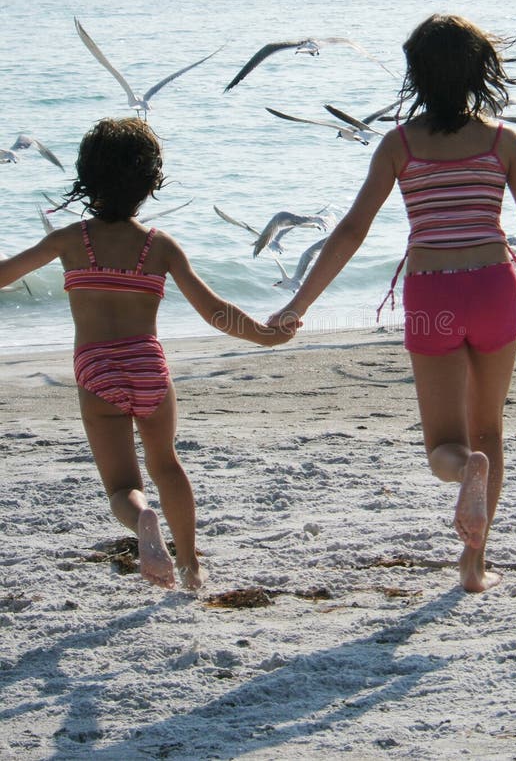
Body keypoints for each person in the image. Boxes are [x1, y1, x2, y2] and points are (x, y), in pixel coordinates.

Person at [269, 14, 516, 593]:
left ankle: (464, 472)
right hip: (493, 289)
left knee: (446, 444)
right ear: (478, 72)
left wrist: (300, 303)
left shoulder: (399, 145)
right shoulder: (502, 141)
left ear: (415, 75)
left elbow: (350, 232)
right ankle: (474, 563)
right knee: (487, 425)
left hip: (433, 294)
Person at [0, 118, 296, 591]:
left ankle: (142, 521)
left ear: (86, 175)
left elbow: (3, 274)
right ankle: (191, 564)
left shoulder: (69, 240)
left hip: (96, 370)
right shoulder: (159, 247)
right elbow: (215, 311)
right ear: (150, 182)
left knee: (122, 486)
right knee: (167, 463)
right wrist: (265, 334)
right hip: (148, 365)